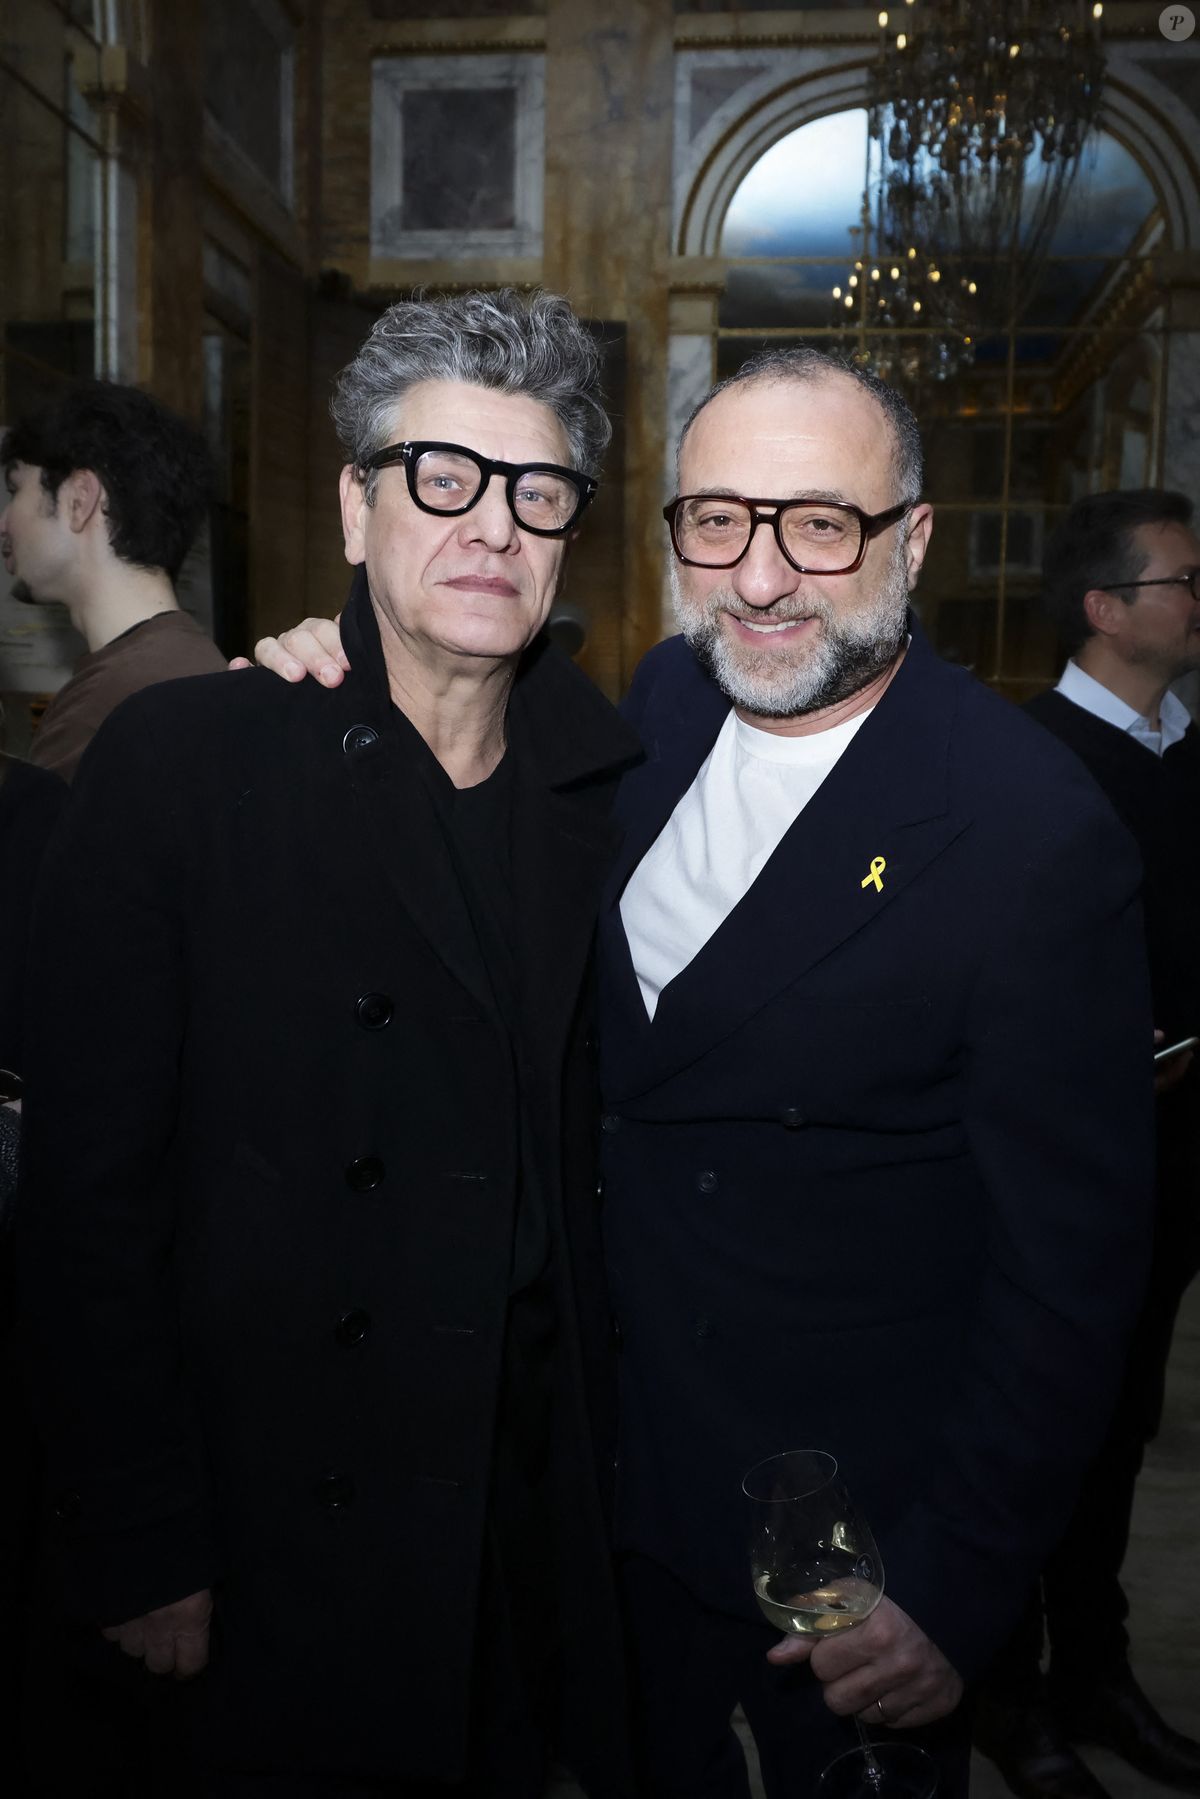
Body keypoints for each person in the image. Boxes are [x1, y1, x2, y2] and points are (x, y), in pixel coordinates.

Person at [252, 348, 1156, 1799]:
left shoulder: (1027, 830)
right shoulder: (661, 701)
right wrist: (331, 664)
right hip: (608, 1490)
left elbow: (1076, 1270)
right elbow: (450, 731)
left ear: (911, 538)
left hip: (838, 1555)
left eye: (819, 522)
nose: (761, 576)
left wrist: (957, 1581)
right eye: (716, 519)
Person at [17, 290, 639, 1797]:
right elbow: (88, 1194)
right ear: (358, 511)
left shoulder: (614, 783)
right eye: (443, 476)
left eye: (536, 489)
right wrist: (137, 1531)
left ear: (569, 533)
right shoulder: (193, 762)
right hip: (268, 1515)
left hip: (518, 1509)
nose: (492, 523)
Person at [974, 490, 1200, 1799]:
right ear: (1107, 608)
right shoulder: (1030, 758)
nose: (1197, 599)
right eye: (1182, 578)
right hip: (1063, 1178)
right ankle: (1006, 1694)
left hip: (1175, 1177)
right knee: (1038, 1435)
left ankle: (1095, 1671)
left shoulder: (1187, 745)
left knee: (1119, 1434)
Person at [0, 380, 225, 781]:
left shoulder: (109, 706)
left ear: (79, 499)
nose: (4, 523)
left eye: (15, 489)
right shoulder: (186, 661)